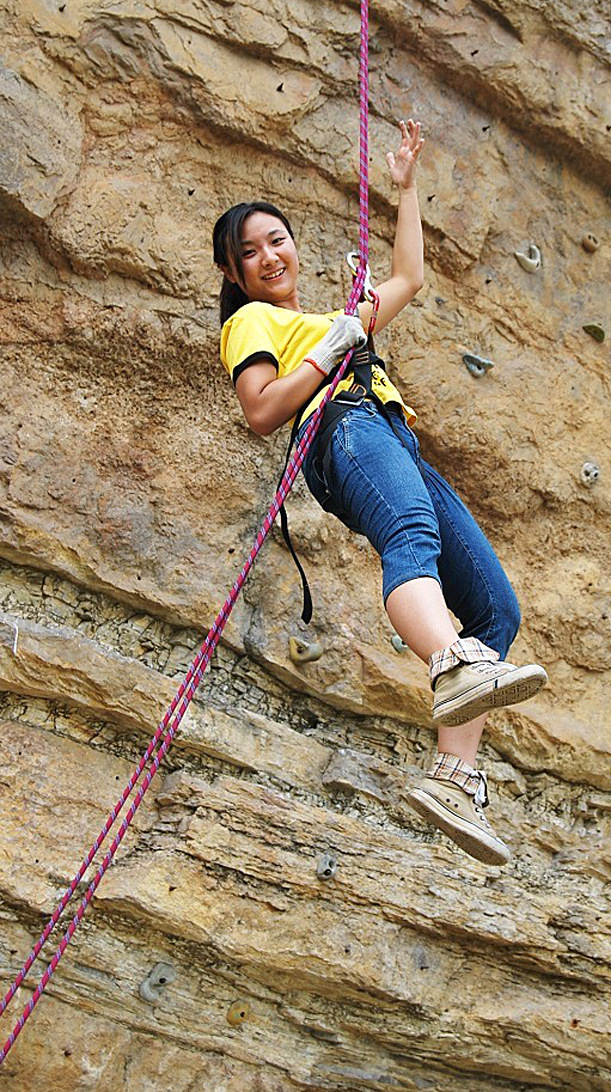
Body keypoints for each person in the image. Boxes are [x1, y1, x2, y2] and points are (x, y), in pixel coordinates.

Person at [214, 120, 548, 865]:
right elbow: (263, 411)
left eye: (277, 240)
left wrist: (404, 187)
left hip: (392, 436)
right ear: (233, 275)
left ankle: (454, 776)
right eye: (250, 252)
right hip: (341, 427)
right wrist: (329, 351)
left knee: (496, 607)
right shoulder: (254, 322)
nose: (270, 256)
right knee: (411, 539)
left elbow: (409, 279)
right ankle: (451, 664)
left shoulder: (326, 319)